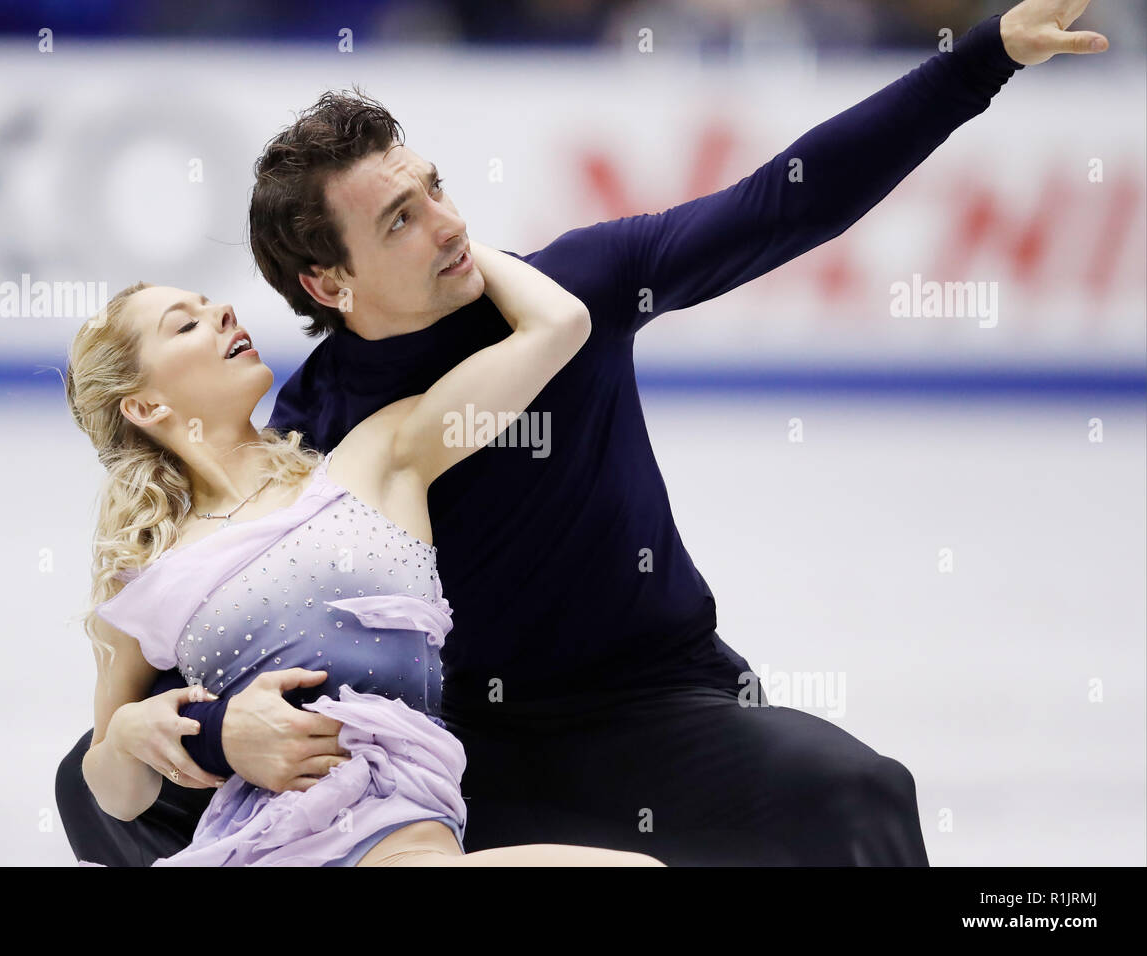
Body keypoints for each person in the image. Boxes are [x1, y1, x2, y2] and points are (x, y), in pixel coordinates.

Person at [55, 2, 1109, 866]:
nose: (448, 223)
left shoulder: (573, 292)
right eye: (398, 221)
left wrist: (984, 58)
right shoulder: (309, 434)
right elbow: (176, 672)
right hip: (450, 745)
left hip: (650, 710)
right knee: (94, 787)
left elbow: (787, 202)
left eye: (435, 190)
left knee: (854, 792)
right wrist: (196, 728)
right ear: (327, 282)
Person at [63, 240, 663, 866]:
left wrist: (436, 236)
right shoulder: (146, 570)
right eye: (185, 324)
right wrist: (133, 734)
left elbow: (559, 324)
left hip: (406, 841)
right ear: (146, 406)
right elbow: (118, 795)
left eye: (212, 304)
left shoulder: (377, 460)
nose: (223, 314)